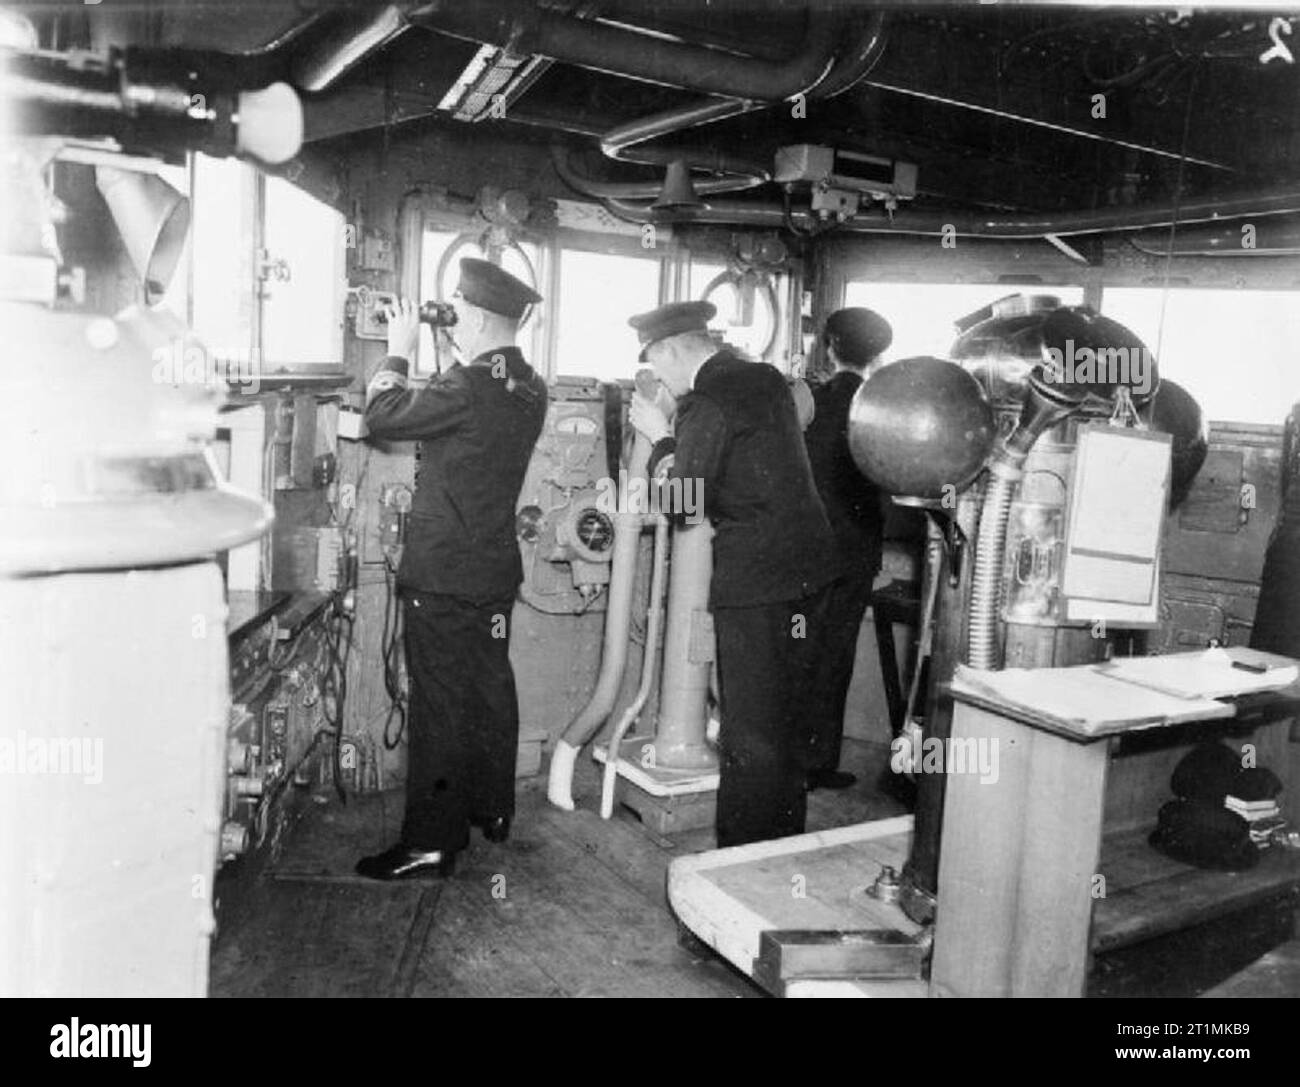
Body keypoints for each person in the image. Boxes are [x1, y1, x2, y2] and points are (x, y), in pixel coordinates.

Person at [356, 258, 547, 880]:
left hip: (441, 576)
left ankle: (431, 843)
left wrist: (398, 352)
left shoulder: (465, 387)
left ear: (479, 314)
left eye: (458, 311)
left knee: (439, 702)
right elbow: (464, 419)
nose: (453, 318)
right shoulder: (528, 384)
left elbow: (382, 417)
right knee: (487, 687)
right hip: (491, 573)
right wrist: (449, 351)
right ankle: (490, 807)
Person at [627, 301, 842, 848]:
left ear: (671, 350)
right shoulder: (764, 378)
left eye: (657, 366)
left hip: (759, 584)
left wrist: (659, 439)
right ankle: (779, 845)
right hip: (811, 571)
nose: (662, 380)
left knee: (749, 734)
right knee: (784, 723)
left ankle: (742, 864)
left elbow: (683, 505)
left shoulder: (706, 402)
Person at [801, 307, 893, 790]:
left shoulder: (810, 402)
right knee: (836, 655)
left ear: (829, 346)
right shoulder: (882, 407)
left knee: (801, 651)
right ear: (880, 354)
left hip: (809, 550)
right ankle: (819, 762)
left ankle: (790, 763)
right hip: (856, 550)